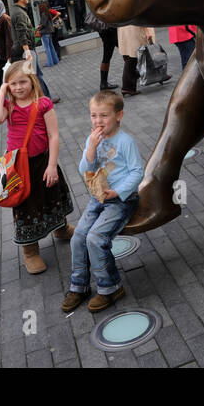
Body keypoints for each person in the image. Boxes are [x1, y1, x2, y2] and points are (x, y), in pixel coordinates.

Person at [0, 60, 75, 275]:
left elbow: (53, 136)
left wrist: (52, 165)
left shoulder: (43, 103)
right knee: (26, 206)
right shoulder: (9, 106)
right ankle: (30, 251)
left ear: (32, 81)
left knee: (52, 194)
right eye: (13, 84)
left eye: (23, 82)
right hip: (18, 166)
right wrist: (1, 91)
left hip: (43, 162)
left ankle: (60, 229)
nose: (18, 87)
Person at [61, 90, 143, 313]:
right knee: (78, 236)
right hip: (98, 199)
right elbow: (84, 170)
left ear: (119, 115)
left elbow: (137, 172)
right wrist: (90, 150)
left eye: (104, 116)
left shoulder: (126, 142)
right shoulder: (92, 140)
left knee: (96, 238)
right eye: (94, 116)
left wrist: (118, 192)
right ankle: (79, 285)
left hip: (122, 201)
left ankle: (110, 287)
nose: (98, 121)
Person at [12, 0, 58, 103]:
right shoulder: (19, 13)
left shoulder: (19, 11)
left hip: (26, 50)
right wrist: (27, 52)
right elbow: (21, 34)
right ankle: (46, 100)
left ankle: (37, 100)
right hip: (26, 51)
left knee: (32, 76)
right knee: (35, 76)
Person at [119, 24, 163, 97]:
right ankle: (127, 87)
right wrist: (148, 32)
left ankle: (128, 87)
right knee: (135, 57)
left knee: (132, 56)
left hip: (125, 30)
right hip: (136, 30)